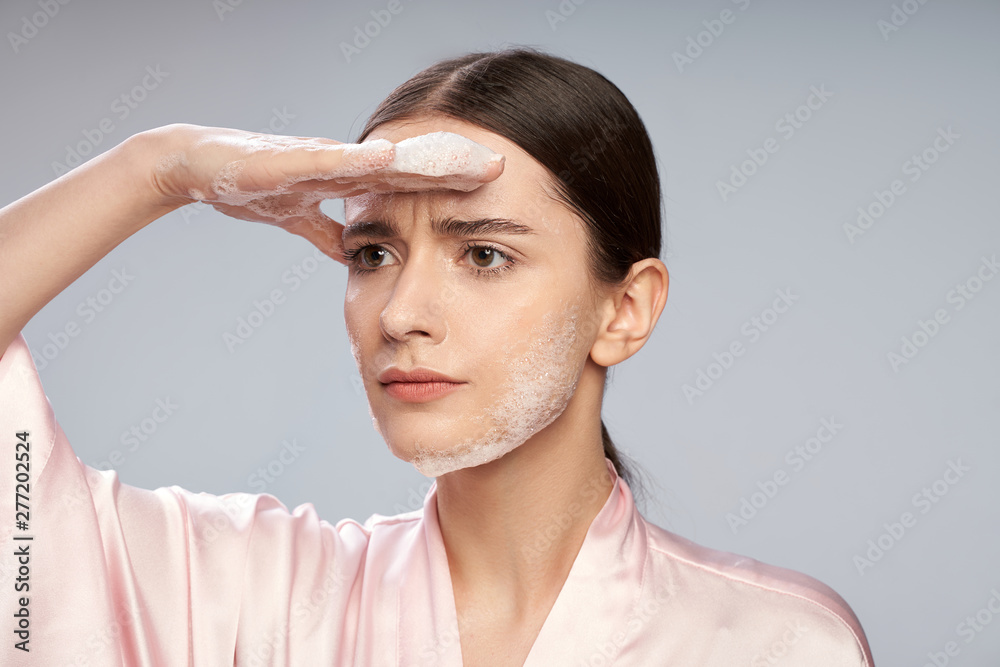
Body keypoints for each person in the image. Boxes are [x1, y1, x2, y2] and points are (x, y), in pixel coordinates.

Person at [0, 48, 874, 665]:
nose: (401, 313)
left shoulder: (778, 642)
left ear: (625, 308)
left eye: (483, 254)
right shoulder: (248, 596)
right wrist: (158, 169)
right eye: (372, 253)